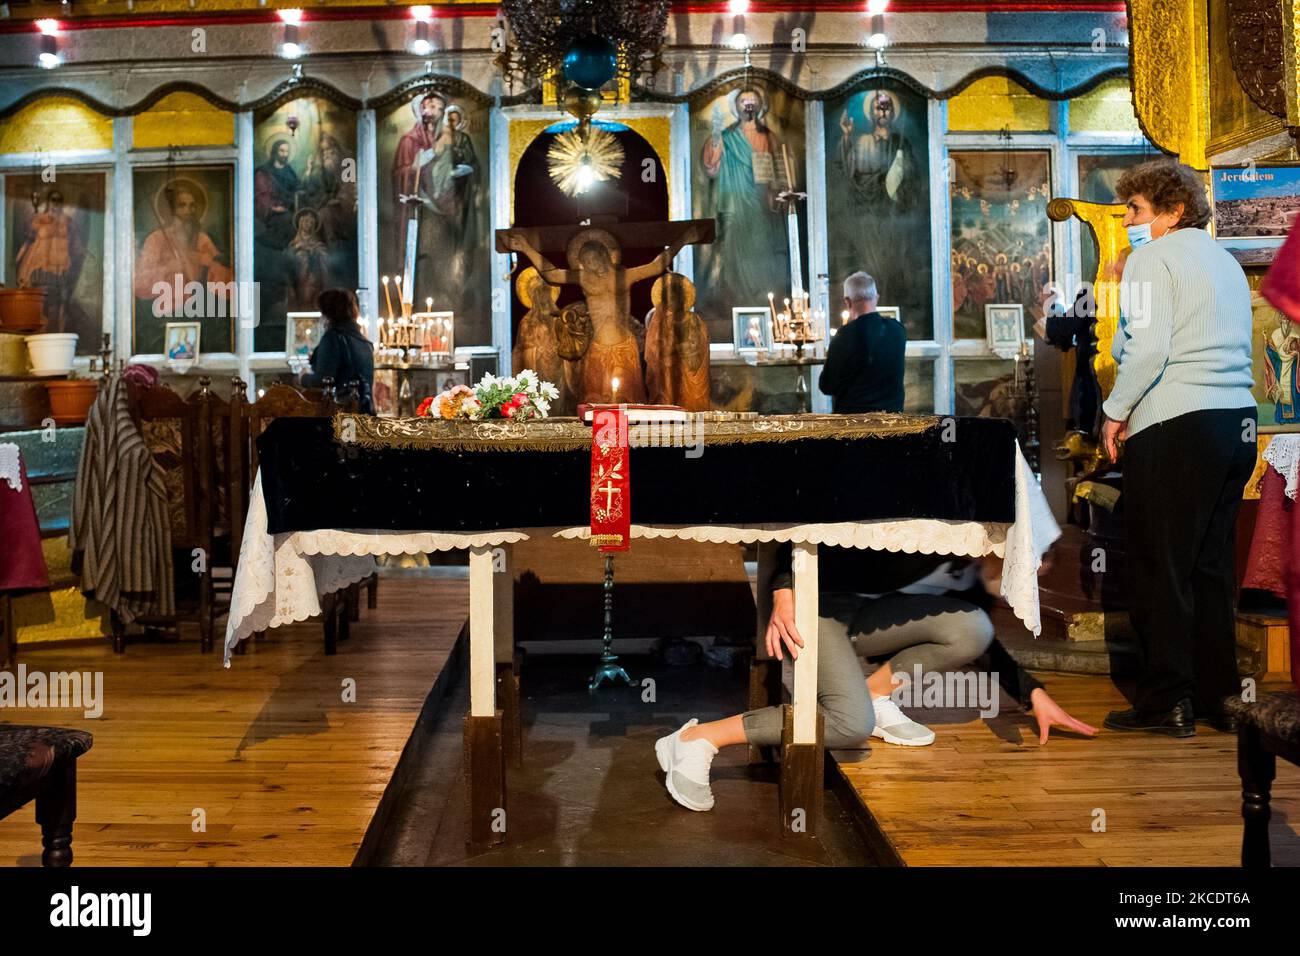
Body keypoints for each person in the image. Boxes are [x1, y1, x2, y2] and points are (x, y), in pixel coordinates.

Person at [655, 545, 1098, 812]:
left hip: (864, 617)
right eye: (1032, 565)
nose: (1033, 576)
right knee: (850, 725)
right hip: (818, 606)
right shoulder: (936, 525)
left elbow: (982, 639)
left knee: (972, 627)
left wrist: (1033, 693)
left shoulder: (970, 562)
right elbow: (814, 523)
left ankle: (874, 695)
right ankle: (699, 738)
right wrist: (783, 588)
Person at [1099, 160, 1257, 737]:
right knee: (1209, 567)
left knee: (1158, 566)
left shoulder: (1150, 260)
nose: (1128, 222)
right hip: (1234, 423)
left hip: (1176, 420)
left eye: (1136, 210)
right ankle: (1218, 697)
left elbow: (1146, 352)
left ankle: (1167, 700)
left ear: (1173, 210)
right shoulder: (1224, 261)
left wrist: (1113, 413)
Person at [819, 271, 906, 413]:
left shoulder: (844, 336)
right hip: (893, 423)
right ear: (876, 298)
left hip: (853, 427)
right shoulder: (897, 330)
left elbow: (827, 386)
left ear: (847, 301)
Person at [307, 288, 374, 414]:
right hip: (364, 414)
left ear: (328, 314)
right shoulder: (363, 341)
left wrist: (302, 377)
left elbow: (323, 380)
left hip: (343, 415)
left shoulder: (333, 338)